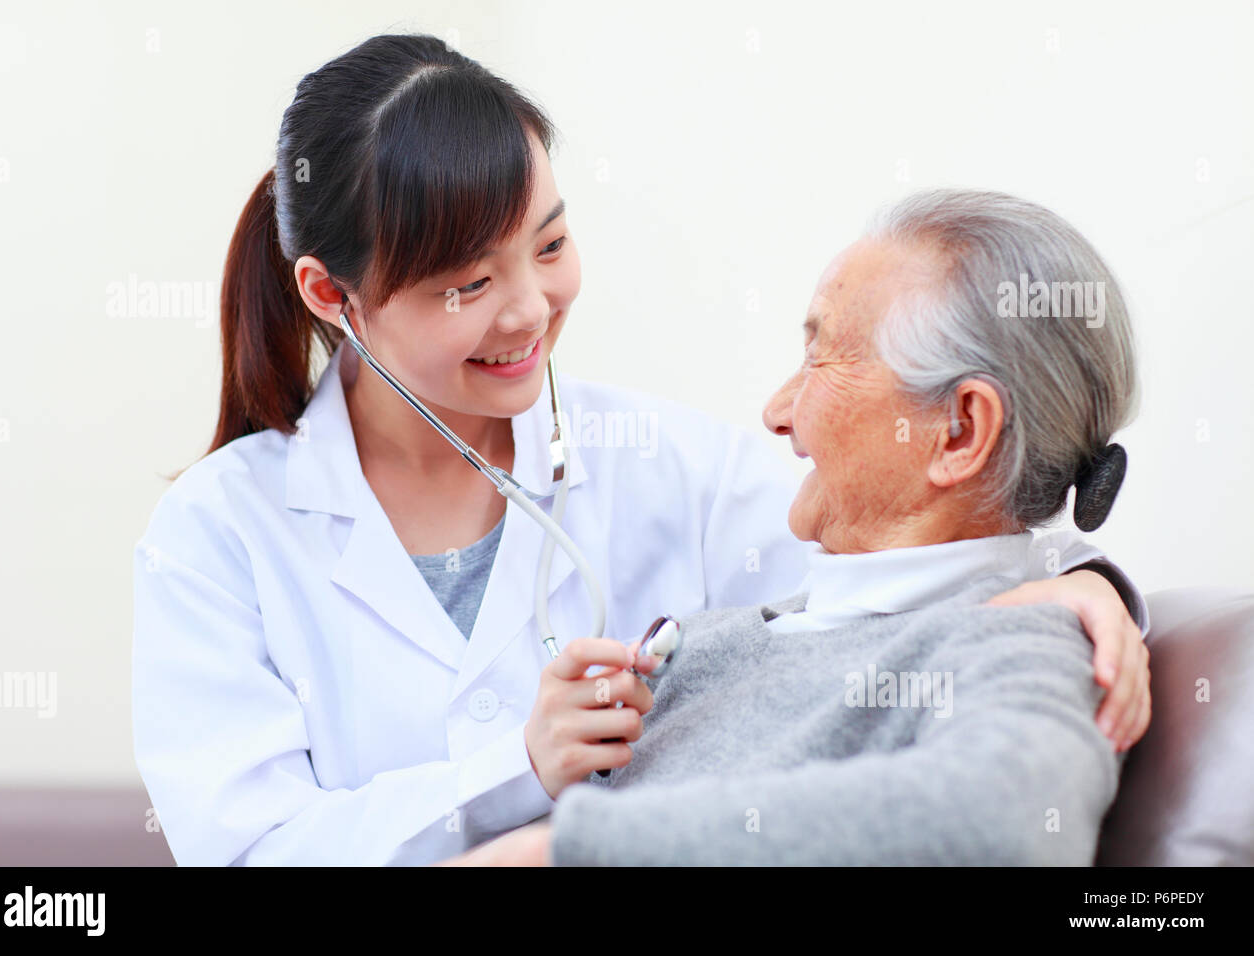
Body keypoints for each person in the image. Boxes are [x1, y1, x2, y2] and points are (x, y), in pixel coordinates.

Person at [132, 35, 1148, 866]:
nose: (530, 310)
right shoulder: (219, 533)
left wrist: (1084, 582)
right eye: (466, 283)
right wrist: (521, 772)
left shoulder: (662, 465)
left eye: (548, 245)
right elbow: (249, 852)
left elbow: (921, 532)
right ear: (329, 294)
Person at [445, 189, 1147, 866]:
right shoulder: (719, 638)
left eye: (822, 357)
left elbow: (1005, 826)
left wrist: (560, 853)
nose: (778, 411)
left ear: (960, 432)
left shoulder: (1019, 642)